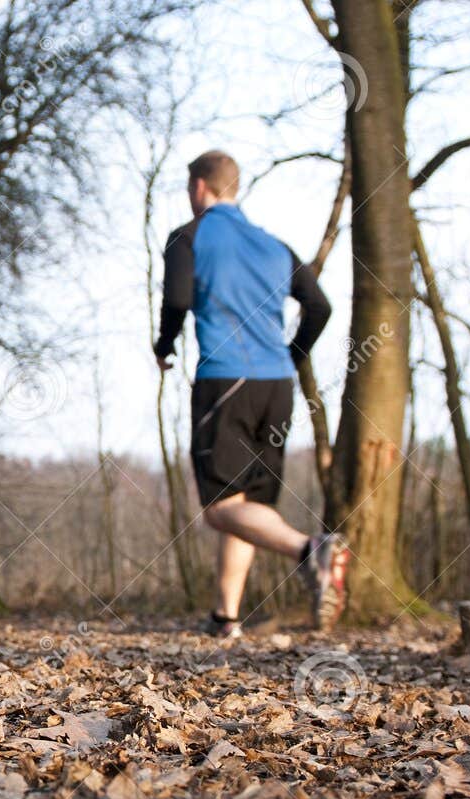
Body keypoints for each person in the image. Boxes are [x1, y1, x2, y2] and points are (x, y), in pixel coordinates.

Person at [153, 150, 349, 637]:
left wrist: (163, 346)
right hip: (276, 388)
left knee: (220, 508)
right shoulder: (273, 245)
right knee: (246, 505)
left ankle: (310, 551)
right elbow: (319, 307)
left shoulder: (189, 238)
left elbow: (177, 300)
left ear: (200, 187)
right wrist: (292, 356)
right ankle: (226, 619)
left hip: (226, 380)